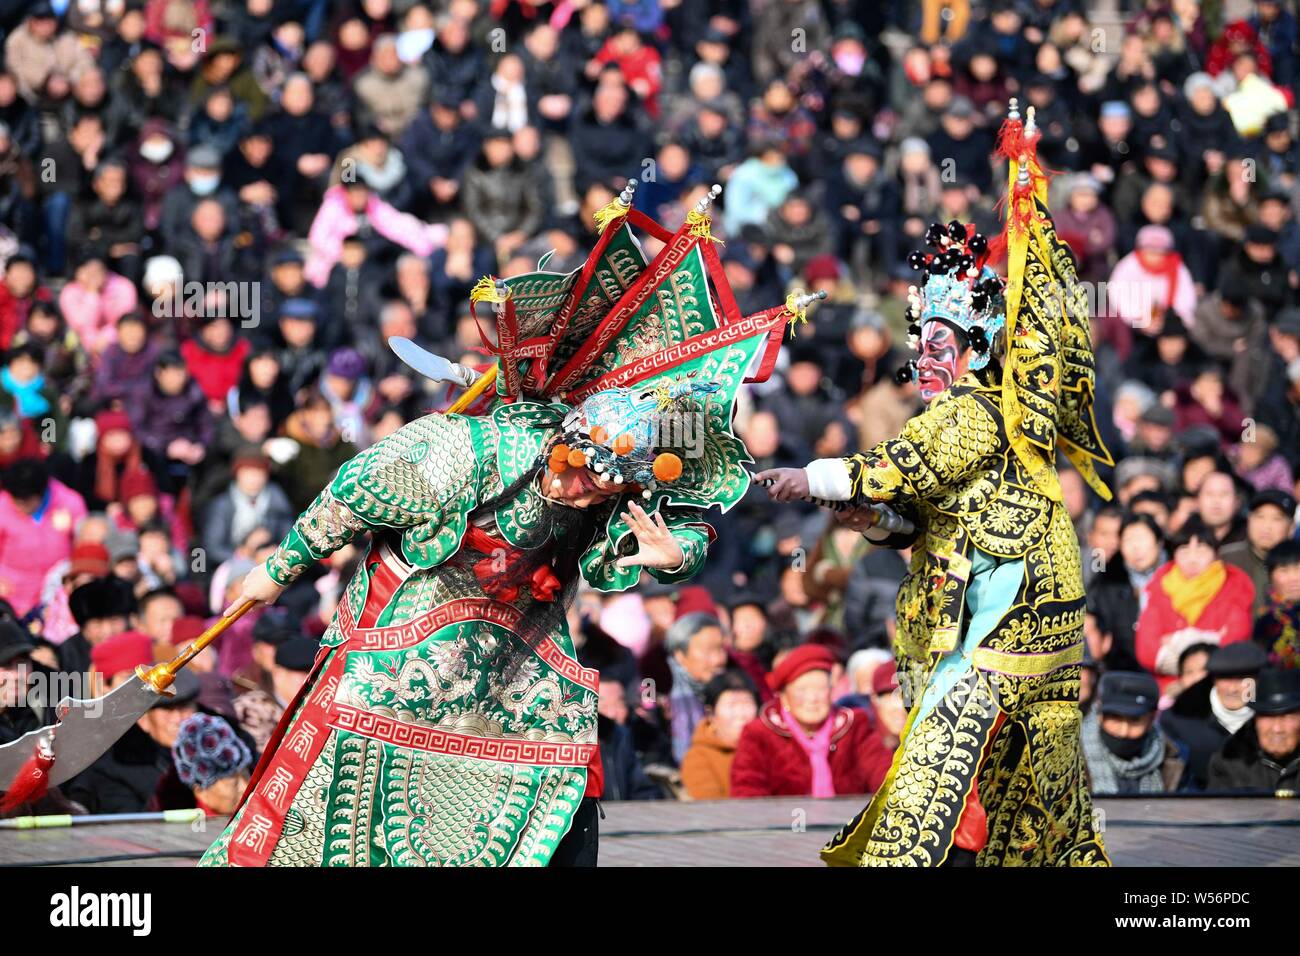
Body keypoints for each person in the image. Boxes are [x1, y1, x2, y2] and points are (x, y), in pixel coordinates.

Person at [197, 187, 797, 867]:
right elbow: (355, 491)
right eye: (587, 469)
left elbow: (677, 530)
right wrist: (277, 570)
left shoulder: (607, 499)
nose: (590, 488)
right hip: (415, 617)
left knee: (567, 742)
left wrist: (669, 558)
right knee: (349, 748)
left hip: (516, 650)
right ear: (569, 442)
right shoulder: (473, 450)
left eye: (610, 483)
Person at [759, 114, 1112, 866]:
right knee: (1022, 768)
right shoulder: (965, 411)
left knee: (943, 752)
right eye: (920, 344)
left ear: (977, 346)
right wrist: (871, 520)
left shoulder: (979, 411)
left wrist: (822, 477)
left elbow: (909, 465)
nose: (924, 359)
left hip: (1014, 604)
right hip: (990, 596)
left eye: (940, 344)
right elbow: (912, 515)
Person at [730, 644, 891, 798]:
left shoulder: (854, 726)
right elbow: (747, 791)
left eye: (821, 689)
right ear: (784, 696)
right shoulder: (758, 734)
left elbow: (881, 772)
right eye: (802, 690)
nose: (813, 698)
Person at [1135, 515, 1256, 694]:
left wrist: (1176, 640)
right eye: (1184, 550)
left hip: (1222, 686)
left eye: (1201, 550)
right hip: (1168, 689)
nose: (1192, 559)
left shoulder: (1235, 585)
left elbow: (1235, 643)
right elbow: (1146, 652)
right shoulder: (1159, 586)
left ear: (1215, 553)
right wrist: (1212, 638)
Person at [1159, 641, 1267, 790]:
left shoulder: (1275, 719)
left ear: (1258, 681)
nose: (1233, 688)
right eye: (1225, 678)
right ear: (1213, 680)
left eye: (1243, 679)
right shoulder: (1178, 720)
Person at [1082, 671, 1186, 795]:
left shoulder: (1172, 760)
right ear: (1100, 716)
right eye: (1115, 718)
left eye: (1135, 721)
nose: (1124, 731)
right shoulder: (1069, 758)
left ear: (1151, 720)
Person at [1207, 668, 1300, 792]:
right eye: (1267, 717)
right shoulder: (1228, 760)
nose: (1277, 729)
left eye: (1287, 716)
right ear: (1255, 720)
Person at [680, 669, 759, 800]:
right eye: (731, 705)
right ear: (711, 714)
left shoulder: (768, 748)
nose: (741, 714)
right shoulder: (699, 757)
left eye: (747, 703)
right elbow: (711, 810)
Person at [665, 611, 728, 765]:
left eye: (721, 649)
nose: (719, 659)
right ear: (680, 655)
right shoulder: (657, 686)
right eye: (708, 650)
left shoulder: (729, 686)